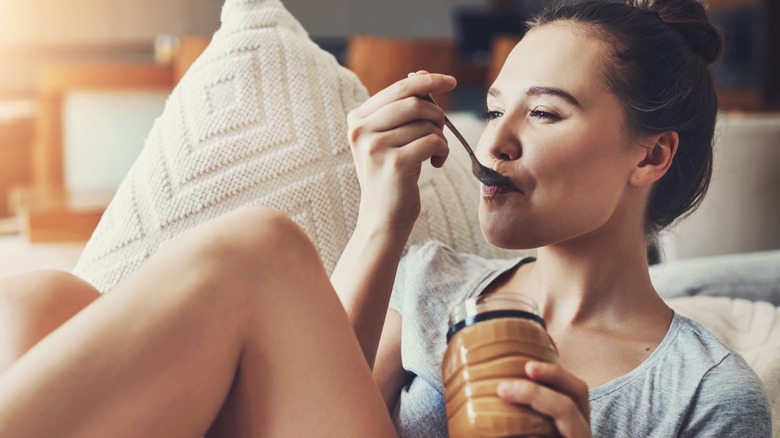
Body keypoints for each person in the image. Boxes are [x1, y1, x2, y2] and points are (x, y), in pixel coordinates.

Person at [0, 0, 771, 437]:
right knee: (41, 303)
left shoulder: (707, 389)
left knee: (264, 248)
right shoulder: (433, 279)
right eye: (493, 107)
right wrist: (382, 217)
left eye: (543, 113)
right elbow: (297, 412)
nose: (497, 139)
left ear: (650, 158)